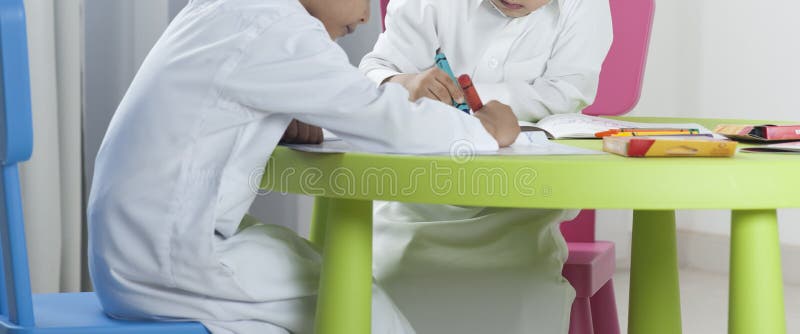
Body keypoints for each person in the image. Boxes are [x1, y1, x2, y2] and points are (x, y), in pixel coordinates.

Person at [86, 0, 521, 333]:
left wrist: (274, 120)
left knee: (305, 273)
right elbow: (382, 117)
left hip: (132, 255)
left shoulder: (233, 11)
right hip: (171, 267)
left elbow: (215, 107)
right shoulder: (280, 27)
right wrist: (483, 130)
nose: (367, 17)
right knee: (353, 297)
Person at [359, 0, 613, 333]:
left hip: (524, 210)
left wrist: (483, 105)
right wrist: (405, 84)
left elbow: (567, 91)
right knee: (388, 292)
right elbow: (377, 70)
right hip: (415, 203)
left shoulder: (585, 7)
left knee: (525, 295)